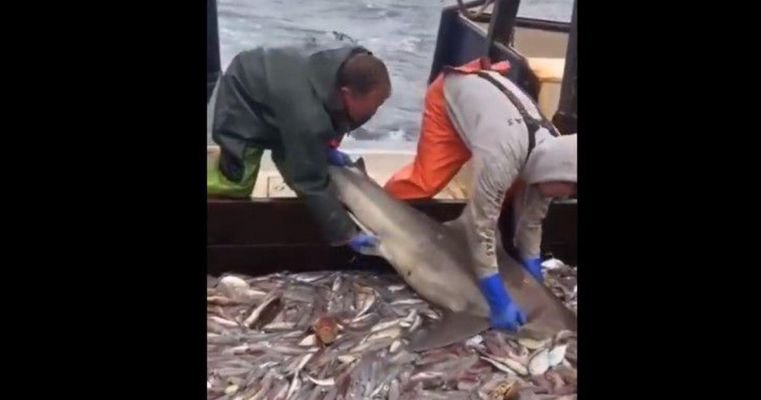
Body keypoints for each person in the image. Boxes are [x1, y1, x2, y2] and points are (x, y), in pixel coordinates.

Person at [384, 59, 577, 332]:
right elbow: (480, 226)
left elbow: (532, 222)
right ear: (559, 174)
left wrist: (534, 277)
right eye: (571, 188)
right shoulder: (503, 157)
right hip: (453, 95)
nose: (569, 195)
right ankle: (379, 212)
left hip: (497, 119)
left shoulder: (556, 155)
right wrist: (497, 299)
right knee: (425, 182)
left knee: (507, 198)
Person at [207, 39, 391, 254]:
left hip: (283, 87)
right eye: (376, 105)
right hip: (245, 90)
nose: (376, 111)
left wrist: (325, 149)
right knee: (237, 182)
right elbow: (308, 180)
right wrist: (347, 234)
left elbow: (331, 117)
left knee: (305, 150)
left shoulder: (349, 64)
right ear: (347, 94)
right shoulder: (307, 117)